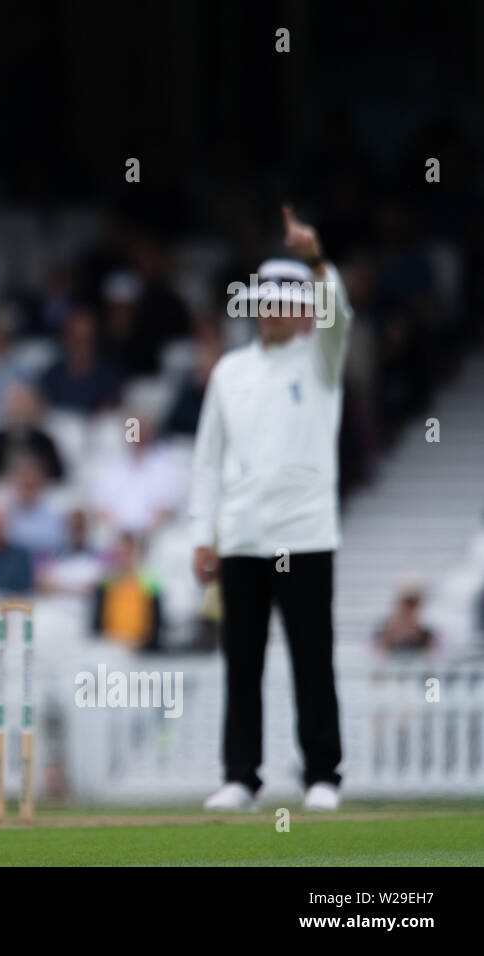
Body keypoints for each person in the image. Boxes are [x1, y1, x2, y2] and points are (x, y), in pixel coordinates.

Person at [191, 205, 353, 812]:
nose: (278, 308)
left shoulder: (321, 363)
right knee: (242, 663)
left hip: (306, 535)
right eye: (268, 299)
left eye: (291, 299)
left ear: (305, 306)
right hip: (243, 537)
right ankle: (241, 777)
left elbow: (339, 315)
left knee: (313, 658)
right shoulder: (230, 372)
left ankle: (323, 776)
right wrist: (201, 534)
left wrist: (314, 259)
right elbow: (207, 462)